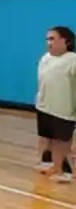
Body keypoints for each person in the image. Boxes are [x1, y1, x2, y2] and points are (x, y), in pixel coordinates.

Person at [36, 26, 76, 182]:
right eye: (47, 39)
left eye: (52, 38)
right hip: (45, 106)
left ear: (65, 41)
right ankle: (54, 165)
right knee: (49, 138)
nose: (48, 42)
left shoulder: (72, 60)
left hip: (64, 109)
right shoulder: (45, 58)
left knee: (62, 141)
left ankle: (63, 172)